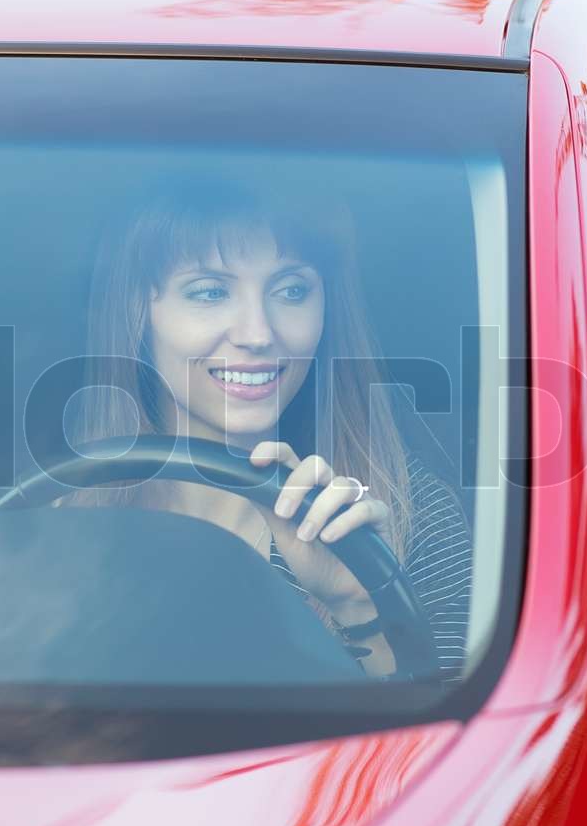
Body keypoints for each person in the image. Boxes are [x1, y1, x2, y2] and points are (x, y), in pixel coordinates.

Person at [64, 181, 471, 681]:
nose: (258, 334)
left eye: (292, 290)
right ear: (137, 315)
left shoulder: (405, 512)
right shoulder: (58, 524)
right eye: (210, 292)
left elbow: (447, 746)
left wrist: (359, 603)